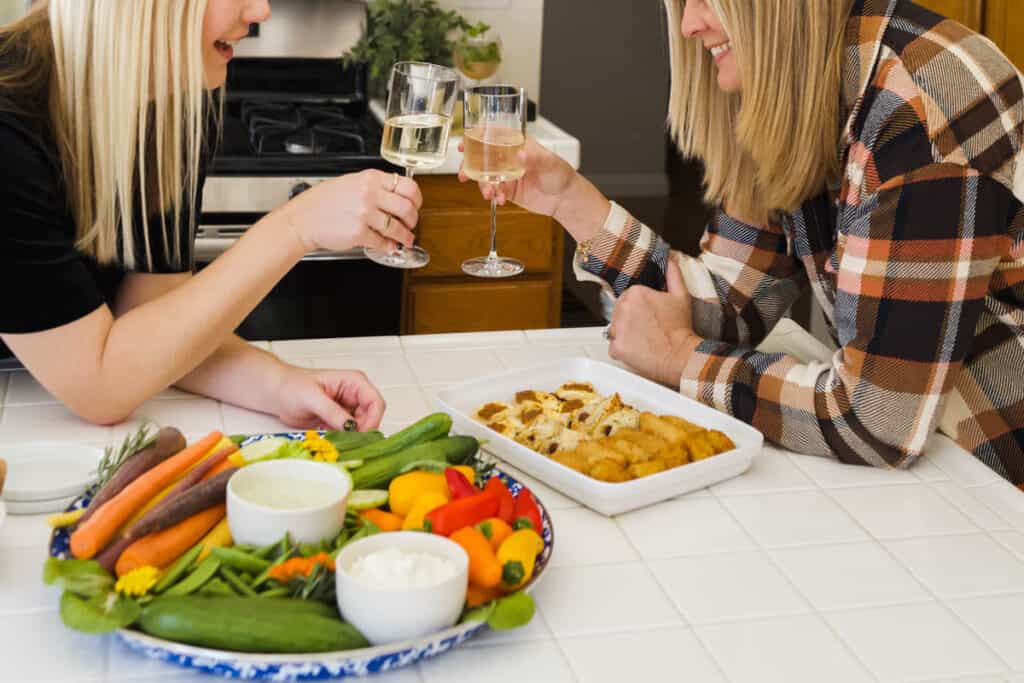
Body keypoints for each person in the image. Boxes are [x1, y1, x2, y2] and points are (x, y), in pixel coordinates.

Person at [463, 0, 1024, 488]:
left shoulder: (920, 107)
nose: (688, 26)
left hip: (999, 486)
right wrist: (573, 203)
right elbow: (733, 305)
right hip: (941, 472)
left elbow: (876, 419)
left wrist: (679, 359)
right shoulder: (801, 87)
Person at [0, 0, 423, 431]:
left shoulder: (172, 108)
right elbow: (101, 387)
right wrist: (295, 226)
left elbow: (158, 320)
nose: (261, 11)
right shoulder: (8, 122)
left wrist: (280, 386)